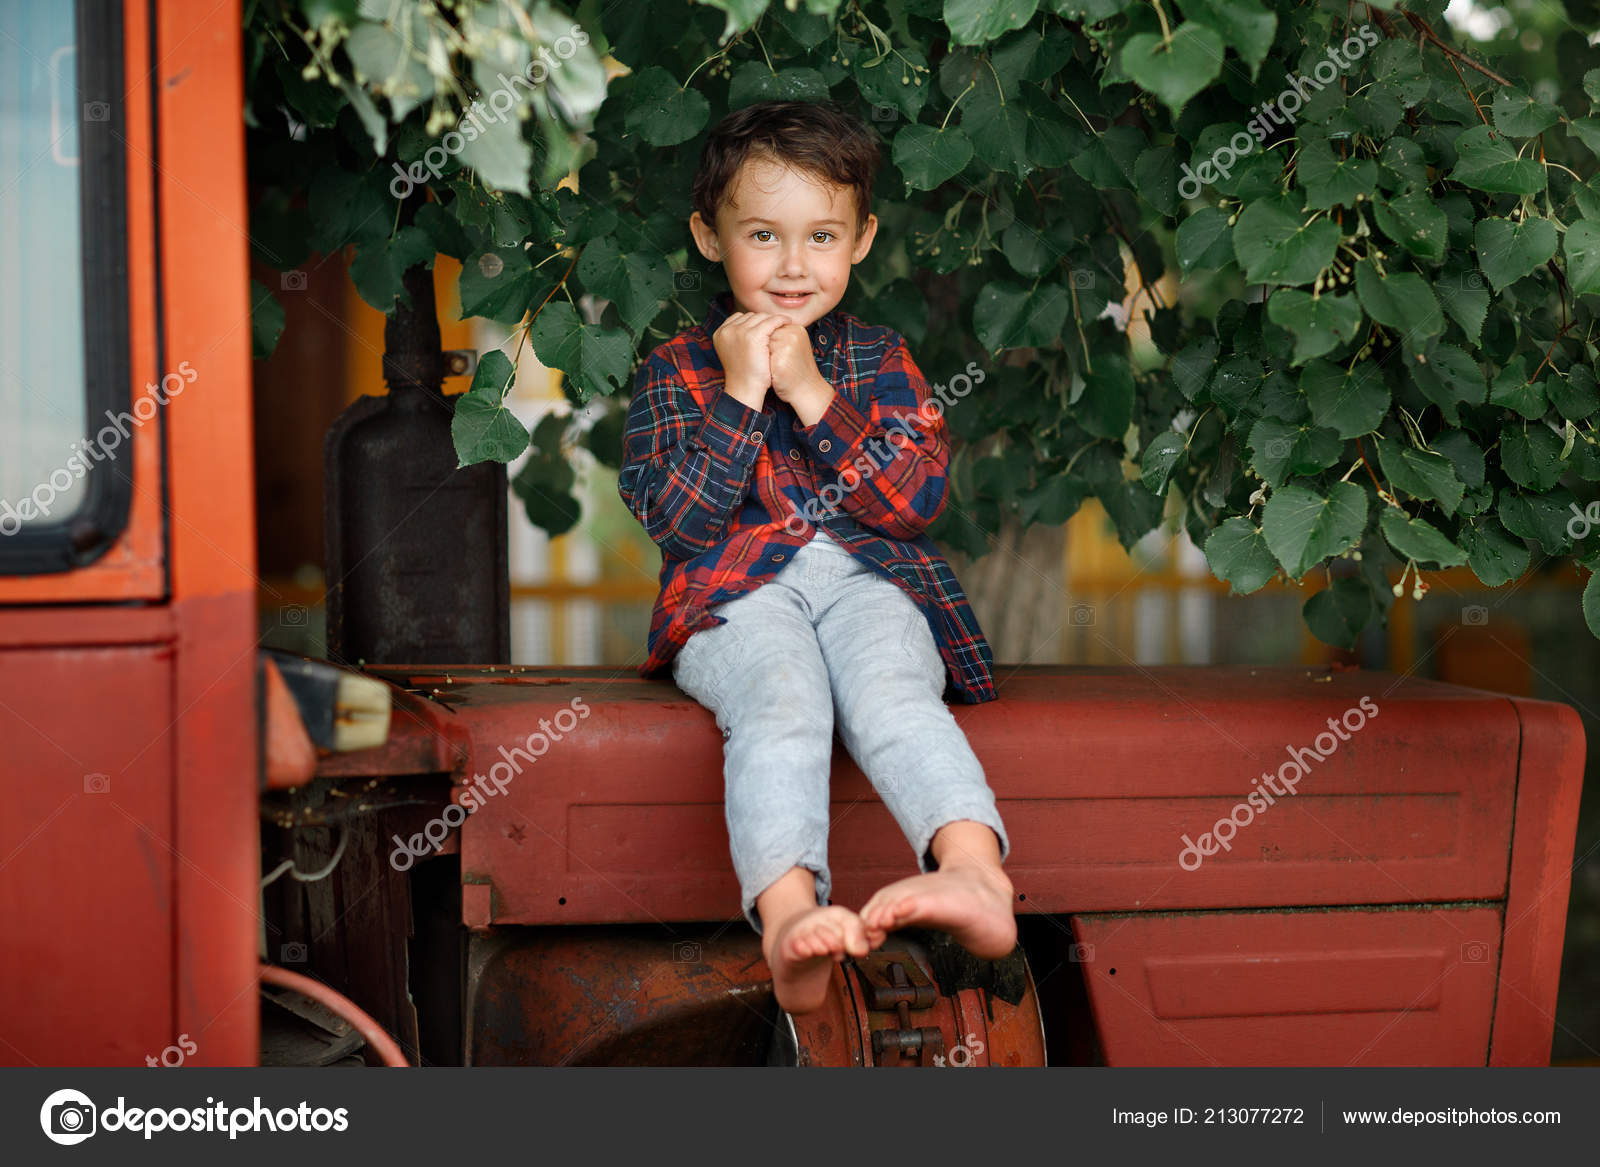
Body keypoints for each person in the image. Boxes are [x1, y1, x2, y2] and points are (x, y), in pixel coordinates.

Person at [617, 100, 1013, 1015]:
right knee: (782, 701)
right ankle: (791, 915)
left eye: (821, 235)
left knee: (890, 694)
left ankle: (974, 873)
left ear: (861, 239)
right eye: (763, 233)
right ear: (710, 238)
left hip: (872, 585)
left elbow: (913, 502)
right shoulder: (677, 368)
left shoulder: (880, 358)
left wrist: (810, 392)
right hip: (735, 599)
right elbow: (679, 524)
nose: (795, 264)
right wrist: (742, 393)